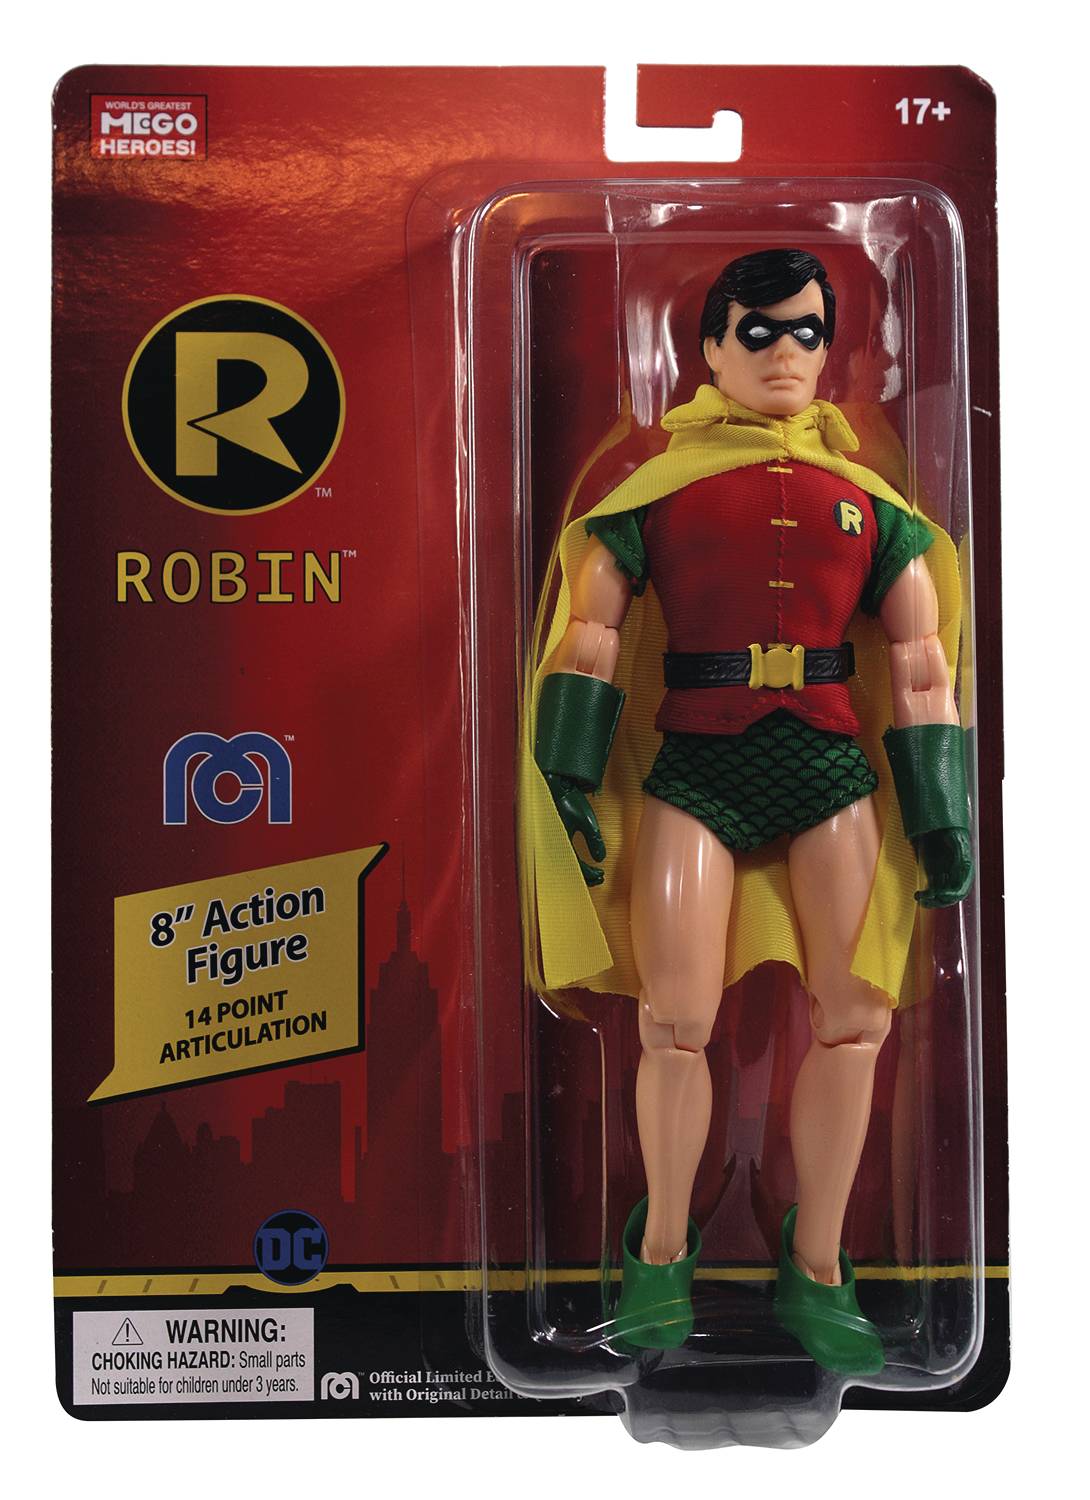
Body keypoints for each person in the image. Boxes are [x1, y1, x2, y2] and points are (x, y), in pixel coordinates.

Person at [526, 248, 972, 1373]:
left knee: (856, 1019)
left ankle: (816, 1261)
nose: (785, 353)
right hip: (696, 768)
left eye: (807, 332)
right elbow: (588, 637)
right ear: (711, 350)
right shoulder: (656, 497)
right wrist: (568, 770)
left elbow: (923, 668)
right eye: (759, 332)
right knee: (673, 1021)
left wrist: (941, 810)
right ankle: (660, 1250)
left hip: (826, 768)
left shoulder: (874, 509)